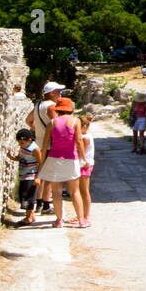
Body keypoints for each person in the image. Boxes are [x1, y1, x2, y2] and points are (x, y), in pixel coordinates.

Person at [37, 96, 88, 228]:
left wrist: (42, 162)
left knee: (57, 192)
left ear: (58, 109)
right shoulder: (75, 121)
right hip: (71, 159)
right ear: (70, 109)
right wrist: (84, 158)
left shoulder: (52, 123)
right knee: (75, 191)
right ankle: (81, 220)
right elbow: (78, 141)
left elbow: (45, 144)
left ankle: (59, 220)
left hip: (54, 159)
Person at [26, 82, 65, 215]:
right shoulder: (51, 107)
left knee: (41, 173)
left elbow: (28, 120)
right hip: (49, 145)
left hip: (39, 143)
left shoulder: (38, 105)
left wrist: (36, 129)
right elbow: (57, 124)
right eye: (59, 91)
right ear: (52, 93)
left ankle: (39, 203)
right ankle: (46, 204)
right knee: (49, 176)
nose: (61, 94)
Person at [6, 128, 40, 224]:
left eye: (22, 143)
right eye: (19, 143)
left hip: (31, 176)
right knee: (23, 195)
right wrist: (11, 157)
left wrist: (37, 177)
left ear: (29, 140)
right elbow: (20, 158)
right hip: (23, 175)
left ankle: (28, 217)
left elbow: (41, 163)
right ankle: (31, 215)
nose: (20, 145)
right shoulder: (23, 147)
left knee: (28, 196)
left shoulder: (34, 149)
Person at [75, 110, 95, 222]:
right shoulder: (86, 136)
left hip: (84, 165)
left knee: (84, 191)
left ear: (84, 126)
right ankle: (81, 214)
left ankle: (86, 216)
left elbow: (81, 151)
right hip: (83, 164)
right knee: (80, 191)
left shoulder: (85, 138)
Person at [130, 90, 146, 154]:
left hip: (142, 118)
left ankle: (142, 147)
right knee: (134, 133)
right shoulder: (134, 103)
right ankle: (134, 147)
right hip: (135, 119)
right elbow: (131, 111)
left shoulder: (145, 104)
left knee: (141, 133)